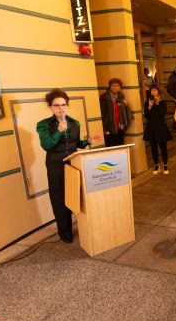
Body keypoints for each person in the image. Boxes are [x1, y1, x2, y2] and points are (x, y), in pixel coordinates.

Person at [36, 89, 102, 243]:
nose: (61, 108)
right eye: (56, 105)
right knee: (59, 200)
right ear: (50, 107)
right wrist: (58, 131)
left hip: (74, 164)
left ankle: (87, 227)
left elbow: (76, 144)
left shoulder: (74, 123)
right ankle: (65, 233)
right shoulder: (44, 125)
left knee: (79, 196)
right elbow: (47, 145)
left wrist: (88, 142)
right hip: (56, 167)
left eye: (63, 105)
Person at [143, 86, 172, 175]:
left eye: (155, 90)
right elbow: (147, 116)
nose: (153, 92)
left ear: (158, 92)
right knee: (153, 148)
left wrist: (158, 103)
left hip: (161, 127)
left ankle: (165, 165)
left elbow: (163, 114)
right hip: (151, 128)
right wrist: (150, 106)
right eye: (152, 90)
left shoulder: (163, 102)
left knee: (163, 147)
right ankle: (156, 165)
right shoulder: (147, 102)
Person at [100, 78, 133, 147]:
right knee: (111, 147)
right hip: (109, 126)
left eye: (117, 86)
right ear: (110, 86)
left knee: (120, 146)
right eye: (113, 85)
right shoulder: (104, 97)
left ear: (120, 87)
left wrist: (126, 105)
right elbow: (102, 113)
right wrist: (104, 128)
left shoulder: (121, 96)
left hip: (120, 126)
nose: (115, 87)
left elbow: (124, 111)